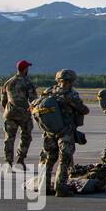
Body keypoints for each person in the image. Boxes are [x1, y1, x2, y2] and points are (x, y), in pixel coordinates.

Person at [33, 69, 90, 197]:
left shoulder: (48, 92)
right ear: (71, 80)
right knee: (65, 159)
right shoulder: (71, 95)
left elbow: (36, 107)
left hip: (49, 132)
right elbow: (83, 109)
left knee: (48, 159)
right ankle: (60, 187)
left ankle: (44, 186)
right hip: (65, 132)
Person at [0, 59, 37, 169]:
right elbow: (33, 100)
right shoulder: (28, 83)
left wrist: (8, 109)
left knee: (9, 138)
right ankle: (20, 159)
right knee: (26, 136)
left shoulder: (8, 82)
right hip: (23, 114)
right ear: (25, 69)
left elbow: (3, 100)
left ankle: (8, 162)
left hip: (10, 113)